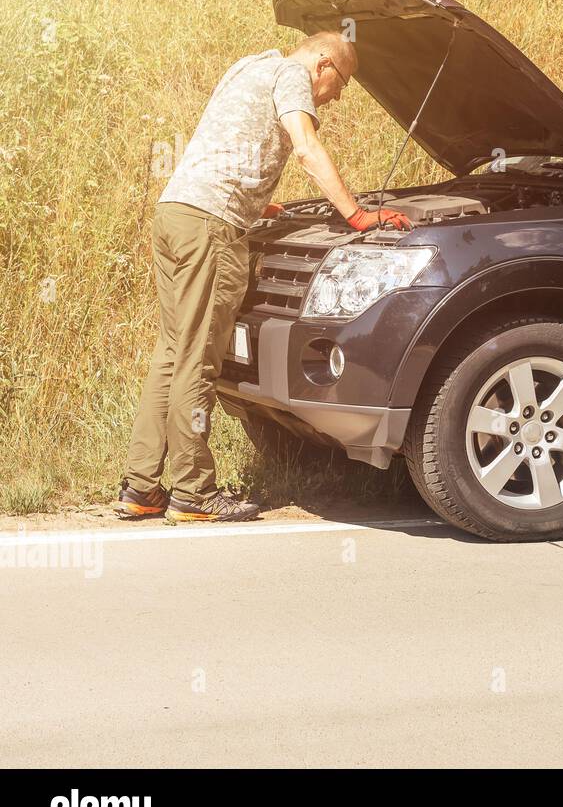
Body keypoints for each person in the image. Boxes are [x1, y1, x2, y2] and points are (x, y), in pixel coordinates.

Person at [114, 31, 412, 524]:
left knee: (172, 354)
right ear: (324, 64)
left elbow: (223, 140)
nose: (334, 99)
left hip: (175, 213)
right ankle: (194, 494)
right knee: (198, 363)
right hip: (210, 228)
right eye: (339, 87)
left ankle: (141, 488)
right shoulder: (293, 75)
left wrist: (252, 199)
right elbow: (306, 148)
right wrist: (357, 215)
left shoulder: (249, 65)